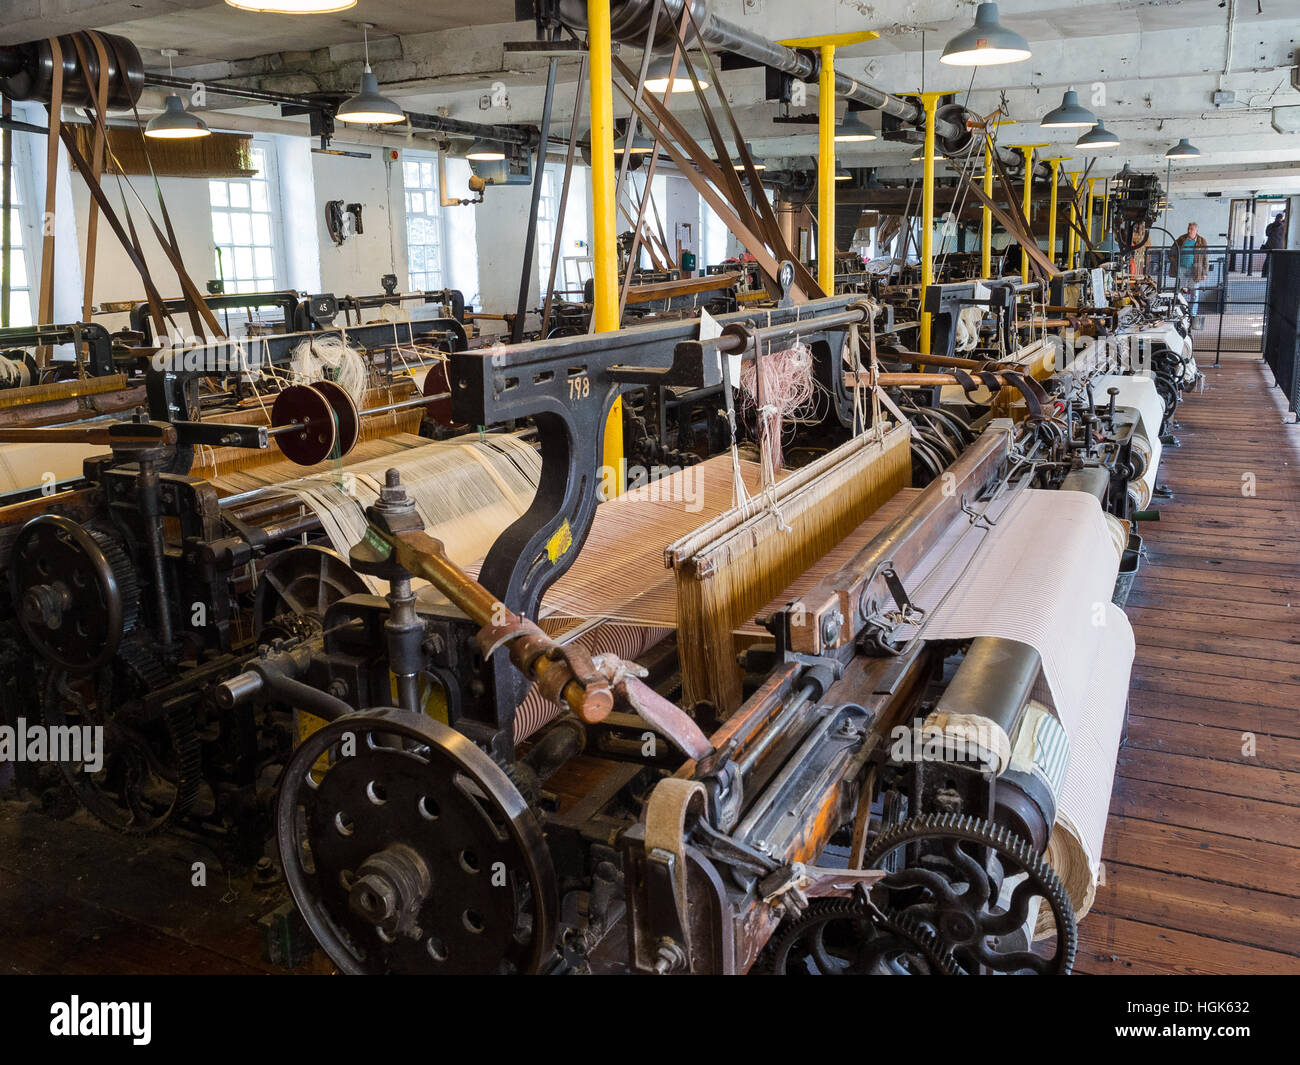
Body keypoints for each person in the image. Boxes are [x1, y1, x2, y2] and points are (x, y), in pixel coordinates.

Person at [1170, 222, 1209, 318]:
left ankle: (1192, 315)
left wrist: (1204, 273)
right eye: (1188, 229)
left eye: (1191, 229)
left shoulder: (1202, 241)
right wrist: (1175, 262)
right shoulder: (1181, 239)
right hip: (1182, 268)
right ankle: (1178, 313)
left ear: (1196, 230)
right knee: (1179, 291)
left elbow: (1205, 258)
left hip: (1195, 270)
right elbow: (1172, 251)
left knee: (1194, 293)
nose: (1189, 231)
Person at [1262, 210, 1287, 276]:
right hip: (1279, 246)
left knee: (1268, 259)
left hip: (1269, 245)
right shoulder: (1283, 226)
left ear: (1275, 218)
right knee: (1277, 261)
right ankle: (1275, 274)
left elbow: (1267, 234)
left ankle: (1264, 274)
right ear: (1281, 218)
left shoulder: (1270, 225)